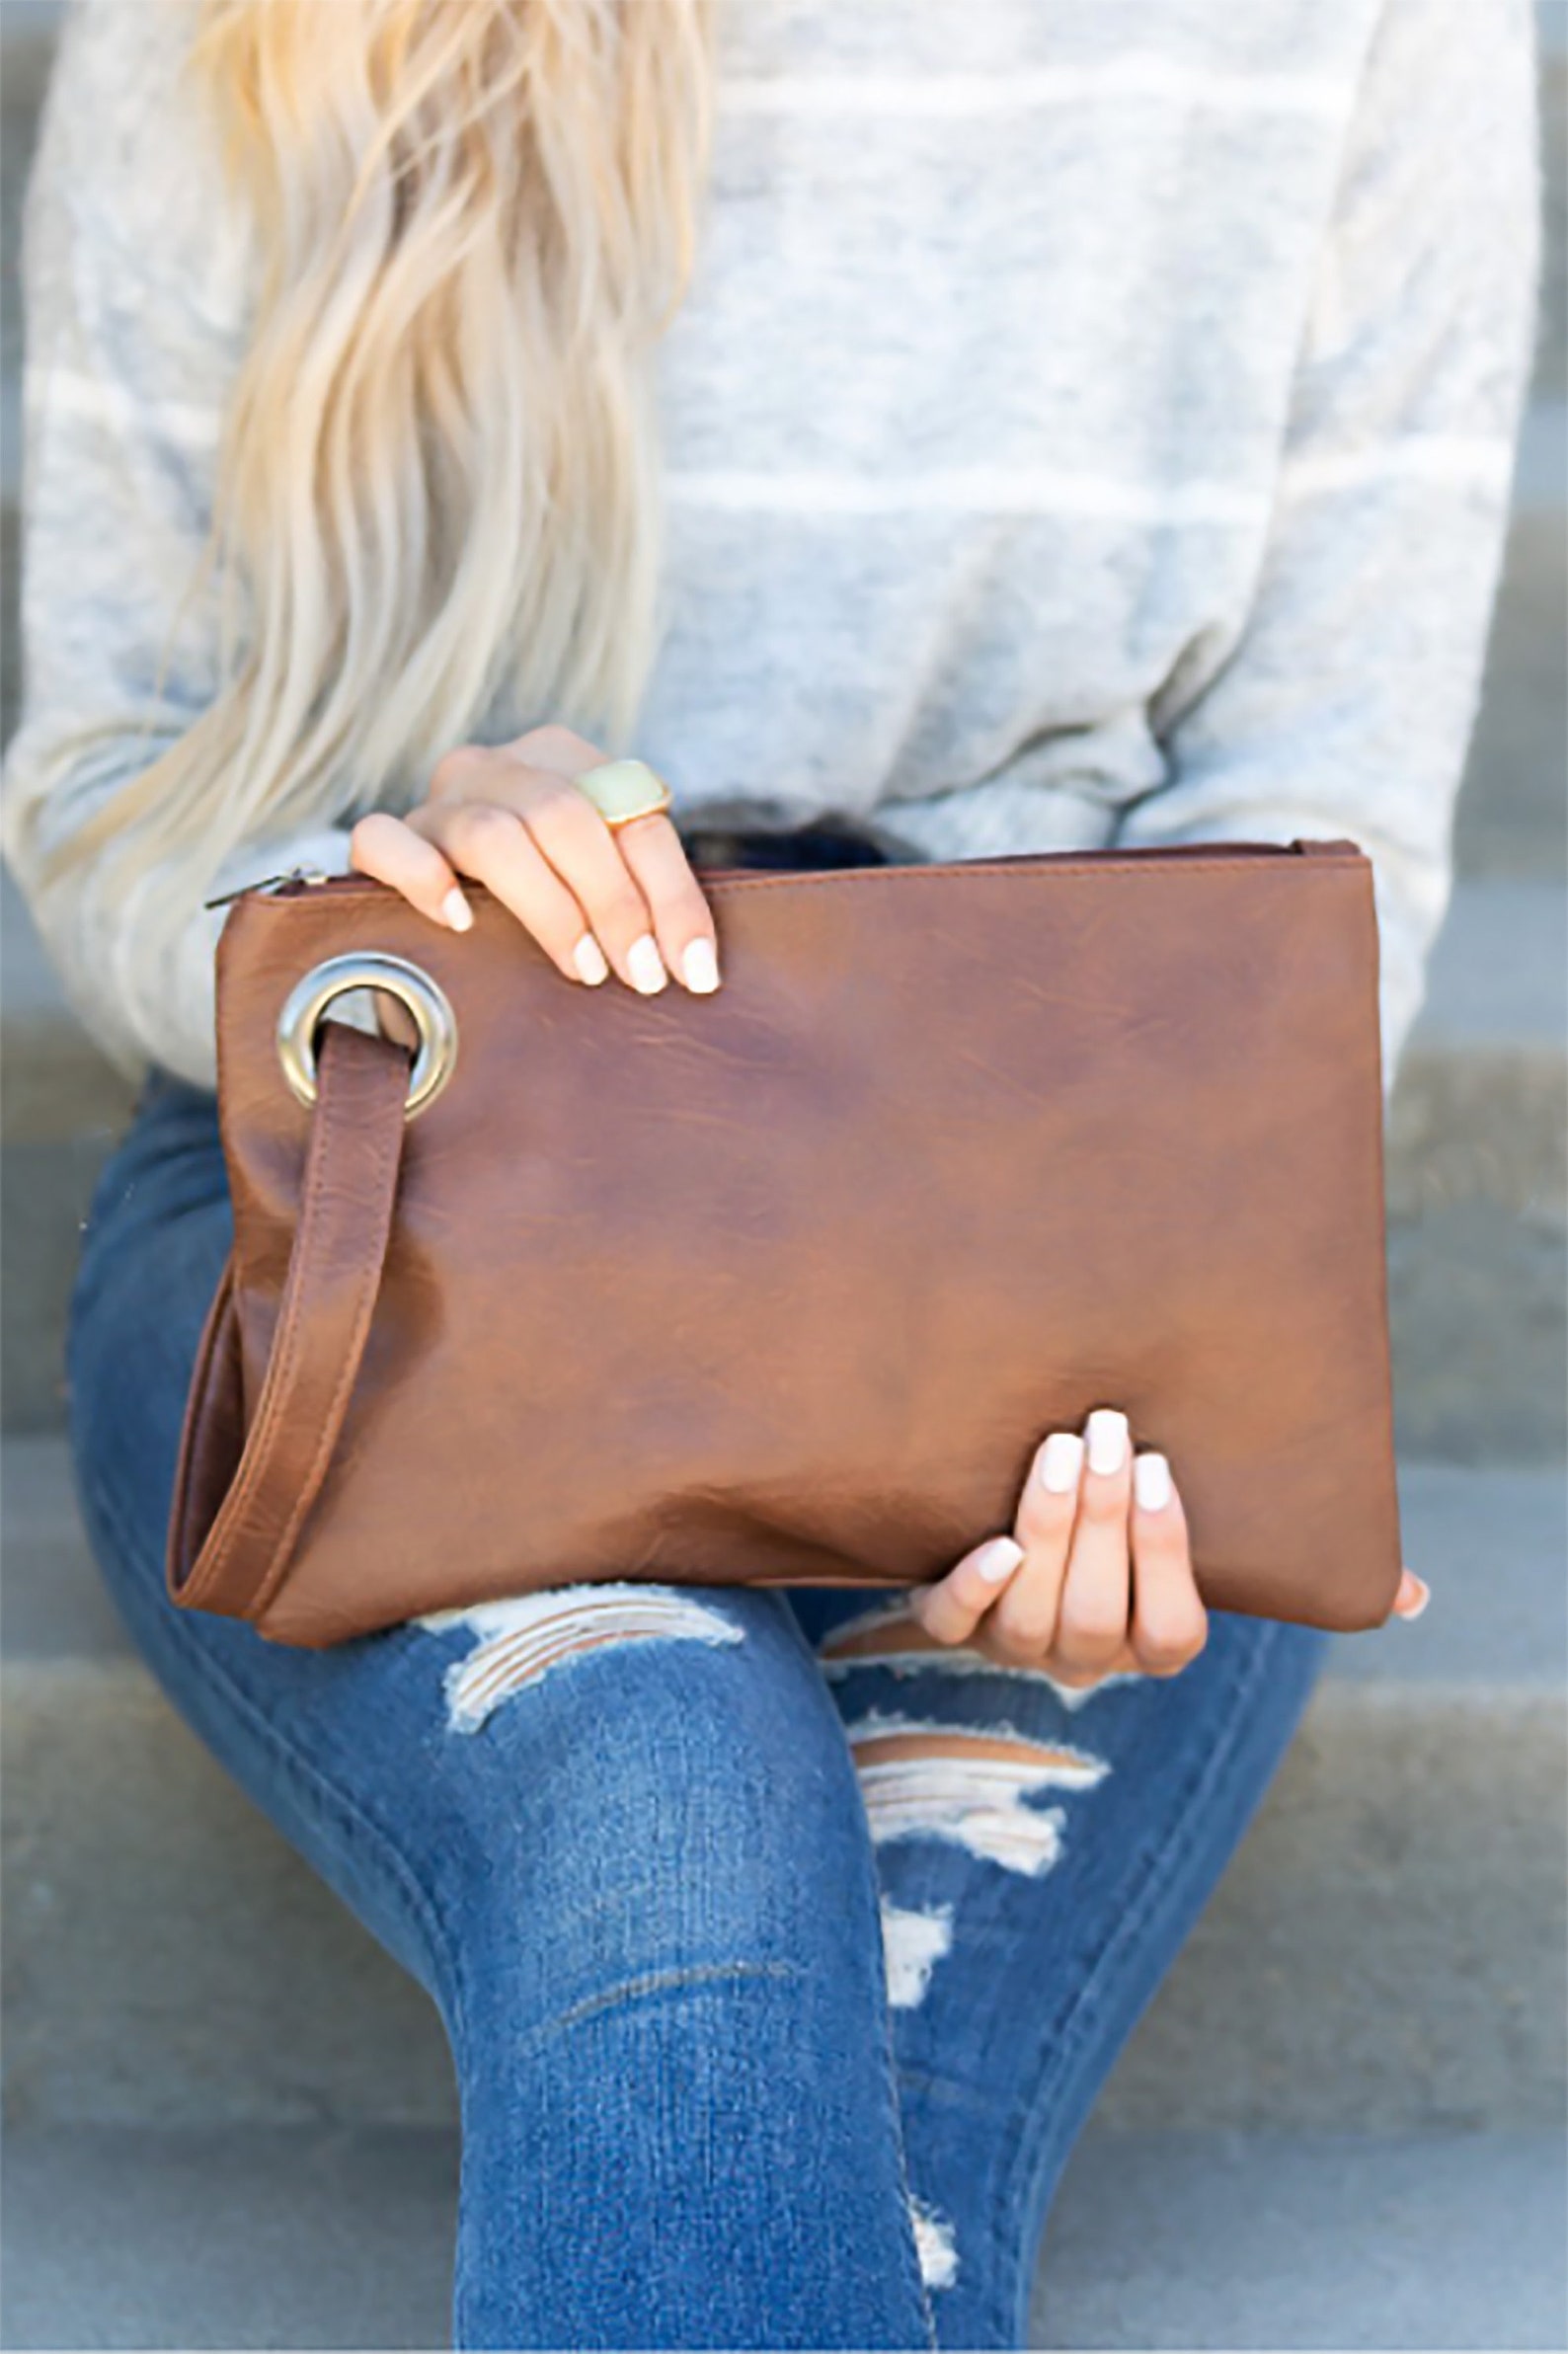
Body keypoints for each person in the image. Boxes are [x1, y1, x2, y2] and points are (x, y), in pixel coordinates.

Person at [3, 0, 1537, 2345]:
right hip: (395, 1231)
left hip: (1063, 1250)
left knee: (817, 2146)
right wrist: (381, 891)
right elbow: (106, 770)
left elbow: (1314, 825)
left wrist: (1144, 1342)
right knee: (668, 1818)